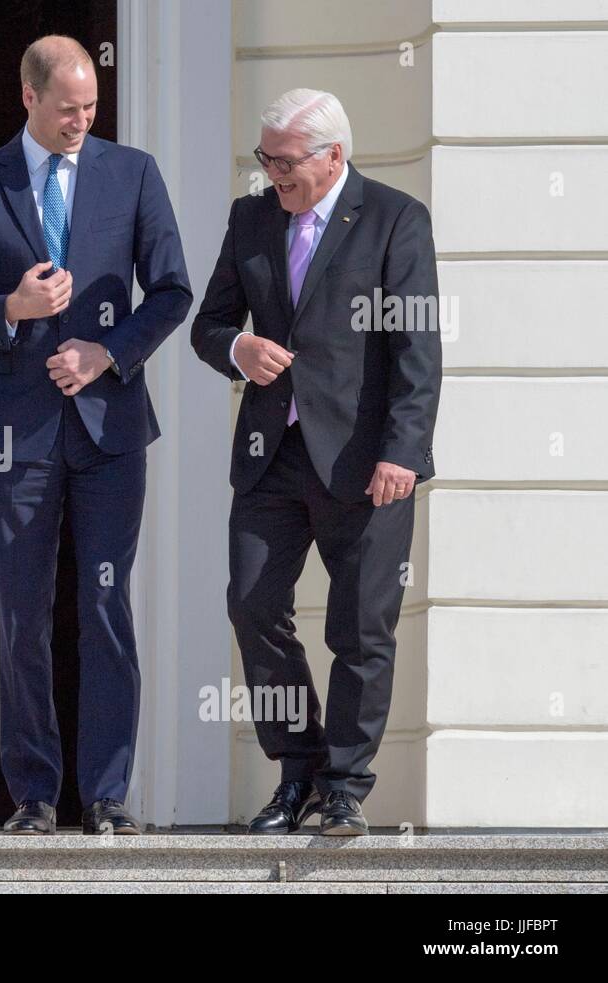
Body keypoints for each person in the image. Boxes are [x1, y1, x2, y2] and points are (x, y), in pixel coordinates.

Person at [0, 36, 192, 835]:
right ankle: (35, 794)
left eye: (90, 107)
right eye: (67, 106)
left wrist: (108, 349)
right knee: (22, 615)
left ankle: (106, 794)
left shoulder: (133, 172)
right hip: (18, 436)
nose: (81, 119)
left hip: (110, 431)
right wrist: (10, 310)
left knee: (106, 607)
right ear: (28, 97)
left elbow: (173, 290)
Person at [190, 88, 442, 836]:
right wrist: (238, 348)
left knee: (360, 627)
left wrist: (403, 450)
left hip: (367, 463)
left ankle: (344, 785)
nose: (273, 174)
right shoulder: (252, 217)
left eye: (286, 161)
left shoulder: (396, 218)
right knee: (253, 602)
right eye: (265, 159)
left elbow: (417, 351)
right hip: (273, 454)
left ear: (334, 155)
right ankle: (296, 769)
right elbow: (210, 323)